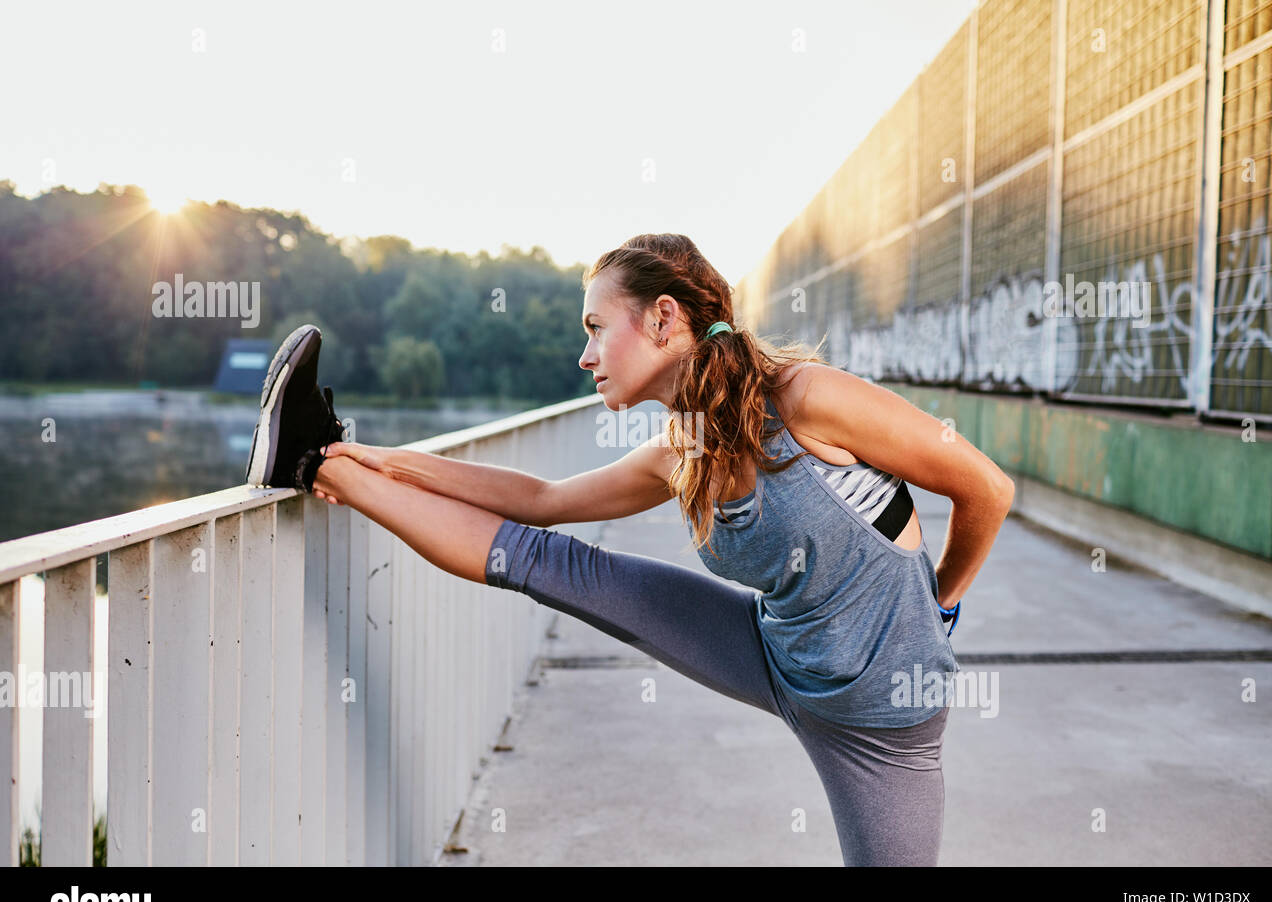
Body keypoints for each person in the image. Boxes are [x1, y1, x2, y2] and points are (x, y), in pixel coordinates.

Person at [253, 233, 1014, 865]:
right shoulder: (680, 448)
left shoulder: (810, 400)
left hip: (881, 722)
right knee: (555, 565)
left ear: (661, 318)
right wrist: (376, 457)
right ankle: (314, 458)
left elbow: (985, 488)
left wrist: (939, 601)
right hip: (775, 656)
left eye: (593, 327)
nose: (584, 356)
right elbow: (541, 503)